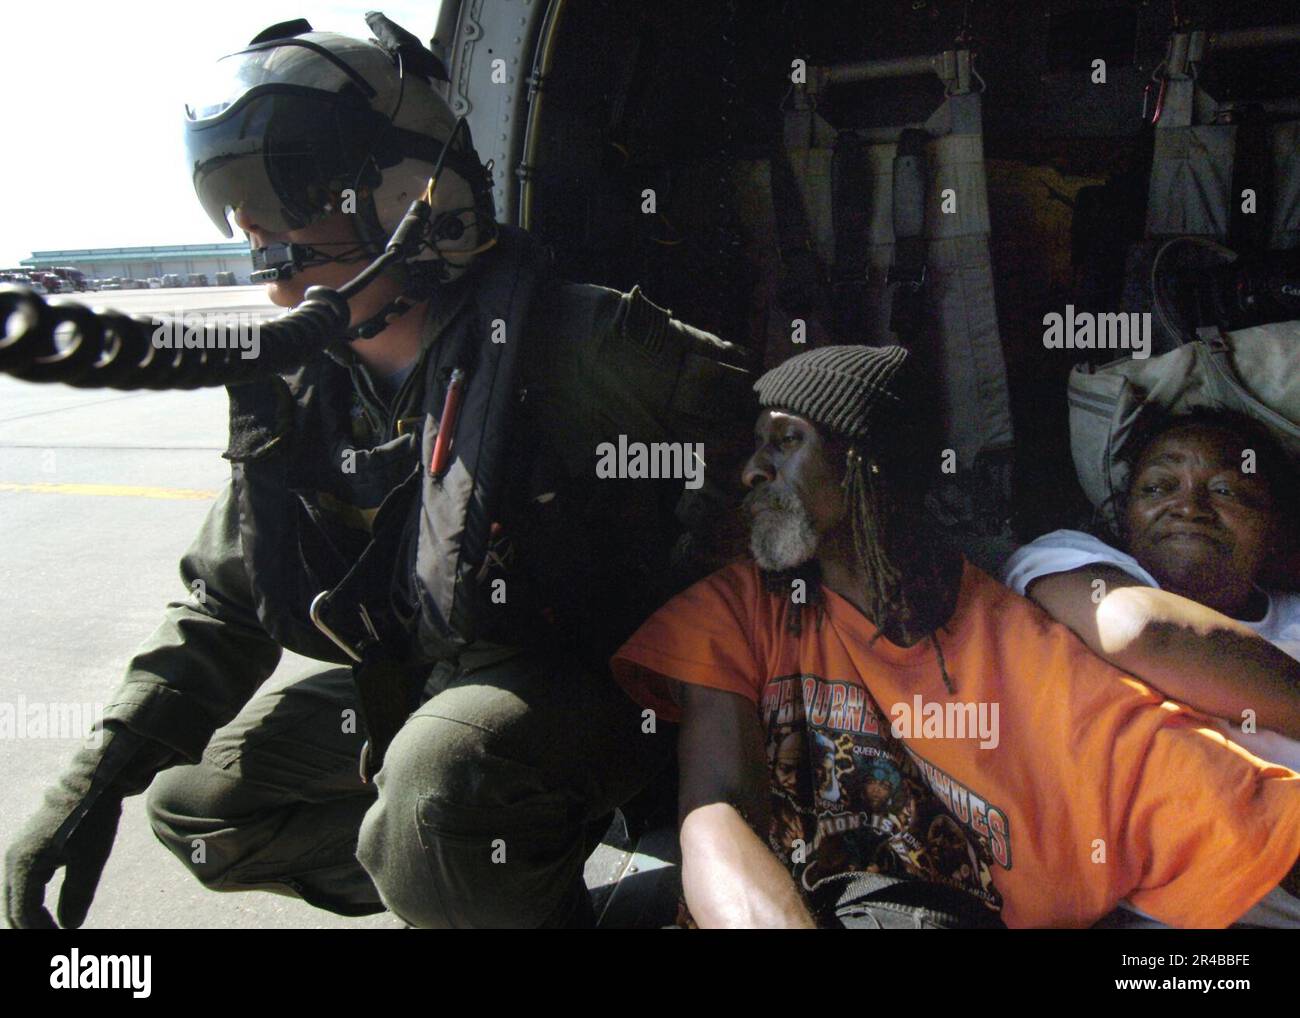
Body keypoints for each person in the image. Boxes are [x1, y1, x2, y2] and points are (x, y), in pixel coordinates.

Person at [3, 15, 752, 930]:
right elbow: (224, 601)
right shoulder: (299, 381)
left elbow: (769, 445)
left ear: (408, 195)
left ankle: (467, 863)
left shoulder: (574, 339)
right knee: (202, 806)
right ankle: (478, 876)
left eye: (276, 184)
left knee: (439, 786)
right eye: (224, 191)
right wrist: (86, 790)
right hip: (429, 684)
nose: (246, 222)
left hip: (601, 687)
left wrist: (737, 691)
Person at [609, 344, 1300, 929]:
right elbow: (716, 809)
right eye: (759, 446)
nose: (752, 470)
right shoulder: (738, 609)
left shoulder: (1016, 642)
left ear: (863, 463)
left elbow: (1209, 800)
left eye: (786, 442)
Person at [1002, 406, 1300, 926]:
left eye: (1227, 491)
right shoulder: (1073, 561)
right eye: (1159, 487)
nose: (1189, 507)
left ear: (1274, 524)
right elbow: (1141, 630)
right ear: (1123, 514)